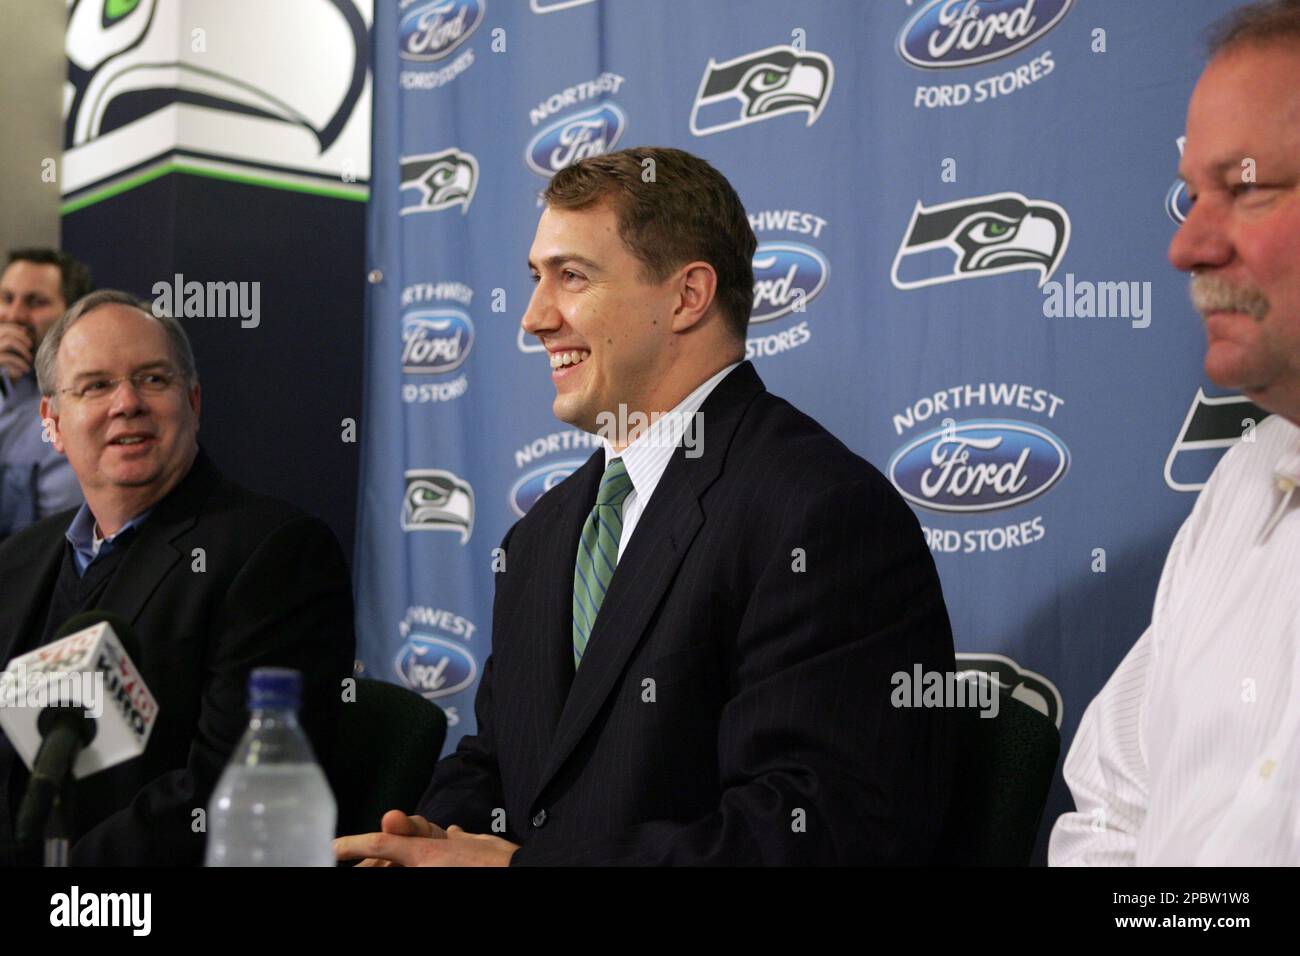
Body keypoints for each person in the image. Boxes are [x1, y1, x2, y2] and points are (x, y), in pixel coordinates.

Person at [336, 147, 956, 866]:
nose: (534, 317)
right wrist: (421, 842)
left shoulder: (821, 515)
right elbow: (501, 763)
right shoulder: (540, 536)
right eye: (536, 279)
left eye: (571, 277)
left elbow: (817, 831)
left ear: (687, 297)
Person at [1051, 0, 1300, 866]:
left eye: (1246, 189)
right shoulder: (1239, 486)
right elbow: (1111, 816)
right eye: (1194, 195)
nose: (1187, 245)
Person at [0, 290, 355, 866]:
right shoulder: (18, 561)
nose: (127, 404)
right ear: (53, 423)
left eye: (152, 379)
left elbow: (218, 793)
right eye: (94, 385)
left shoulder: (275, 554)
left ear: (192, 401)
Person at [0, 249, 91, 541]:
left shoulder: (81, 404)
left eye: (36, 302)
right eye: (6, 298)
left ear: (73, 315)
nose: (13, 315)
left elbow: (58, 542)